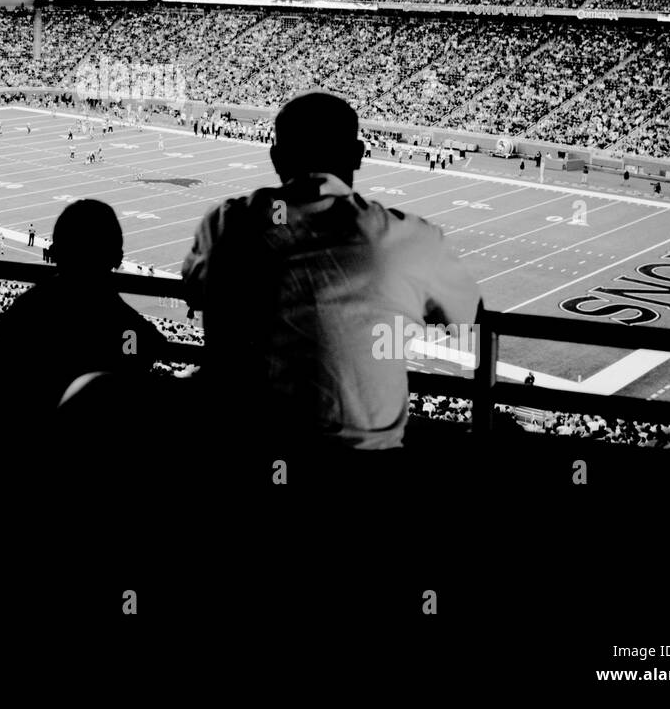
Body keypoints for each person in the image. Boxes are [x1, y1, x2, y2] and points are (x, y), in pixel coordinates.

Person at [181, 91, 481, 459]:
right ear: (358, 154)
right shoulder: (410, 237)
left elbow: (196, 293)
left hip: (241, 444)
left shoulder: (227, 222)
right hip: (362, 455)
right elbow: (466, 318)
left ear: (275, 157)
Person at [0, 199, 169, 427]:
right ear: (118, 257)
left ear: (54, 253)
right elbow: (148, 347)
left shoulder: (24, 310)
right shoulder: (118, 320)